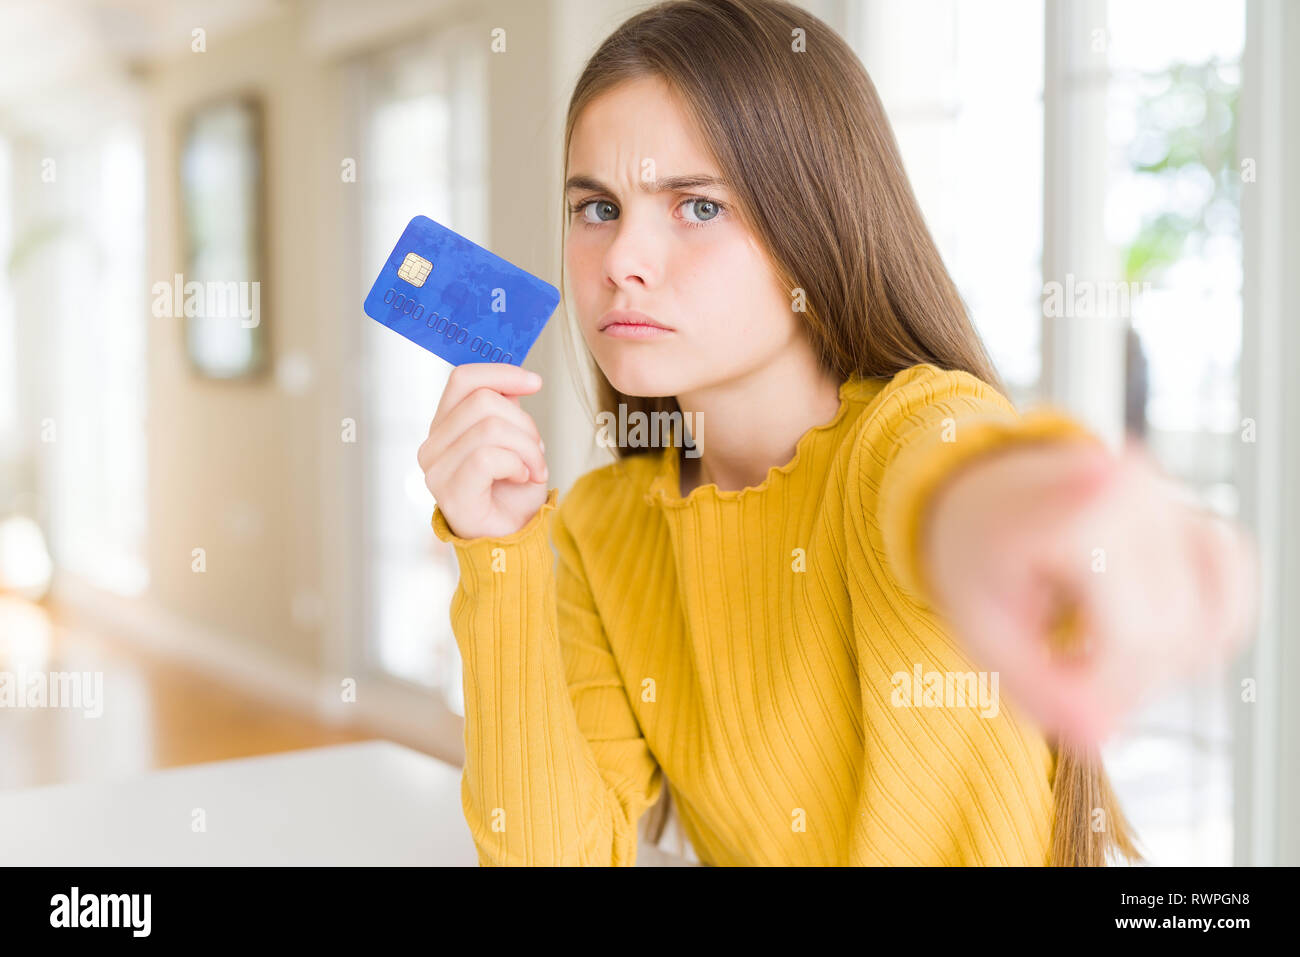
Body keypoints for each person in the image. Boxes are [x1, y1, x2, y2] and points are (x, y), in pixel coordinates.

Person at [417, 0, 1256, 866]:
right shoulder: (601, 527)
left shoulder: (908, 436)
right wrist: (500, 550)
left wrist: (1033, 522)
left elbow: (955, 485)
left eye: (697, 207)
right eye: (596, 207)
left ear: (814, 219)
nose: (621, 258)